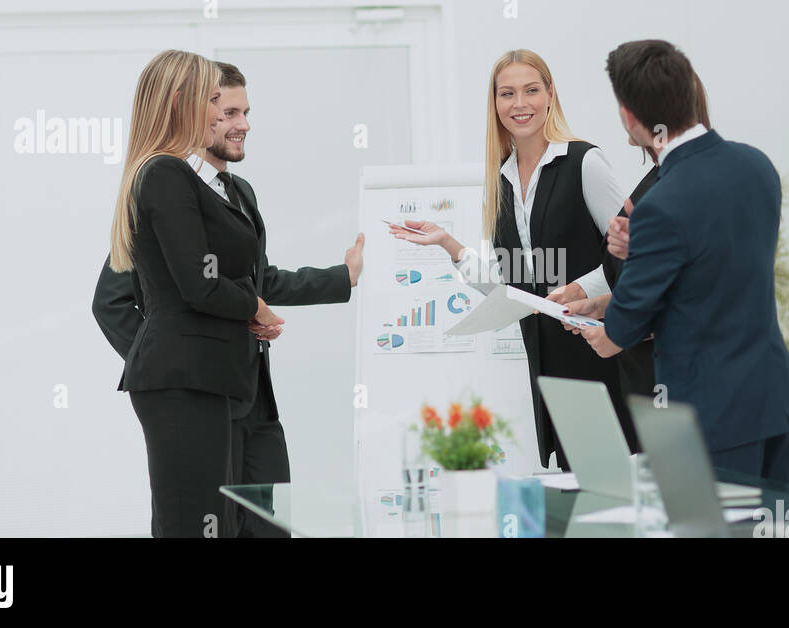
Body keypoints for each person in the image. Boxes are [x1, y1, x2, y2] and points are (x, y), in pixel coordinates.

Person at [95, 61, 364, 537]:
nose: (241, 123)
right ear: (196, 107)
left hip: (247, 387)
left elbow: (256, 279)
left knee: (270, 524)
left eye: (245, 111)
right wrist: (178, 357)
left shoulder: (239, 192)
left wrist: (342, 277)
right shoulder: (166, 182)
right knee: (199, 522)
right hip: (195, 384)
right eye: (227, 109)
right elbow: (119, 300)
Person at [575, 40, 789, 487]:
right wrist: (641, 252)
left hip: (712, 421)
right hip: (776, 402)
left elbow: (619, 335)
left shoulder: (662, 203)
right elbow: (717, 268)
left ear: (630, 117)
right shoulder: (757, 166)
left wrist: (604, 320)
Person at [388, 49, 633, 471]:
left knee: (610, 497)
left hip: (602, 356)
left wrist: (581, 288)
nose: (519, 104)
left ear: (550, 94)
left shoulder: (583, 162)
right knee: (579, 497)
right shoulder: (500, 179)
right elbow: (514, 288)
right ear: (495, 104)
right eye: (507, 94)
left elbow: (634, 253)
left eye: (530, 91)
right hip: (548, 366)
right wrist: (450, 245)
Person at [571, 73, 713, 402]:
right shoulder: (661, 179)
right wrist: (602, 305)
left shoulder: (688, 187)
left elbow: (698, 294)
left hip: (688, 387)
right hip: (652, 384)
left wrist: (620, 332)